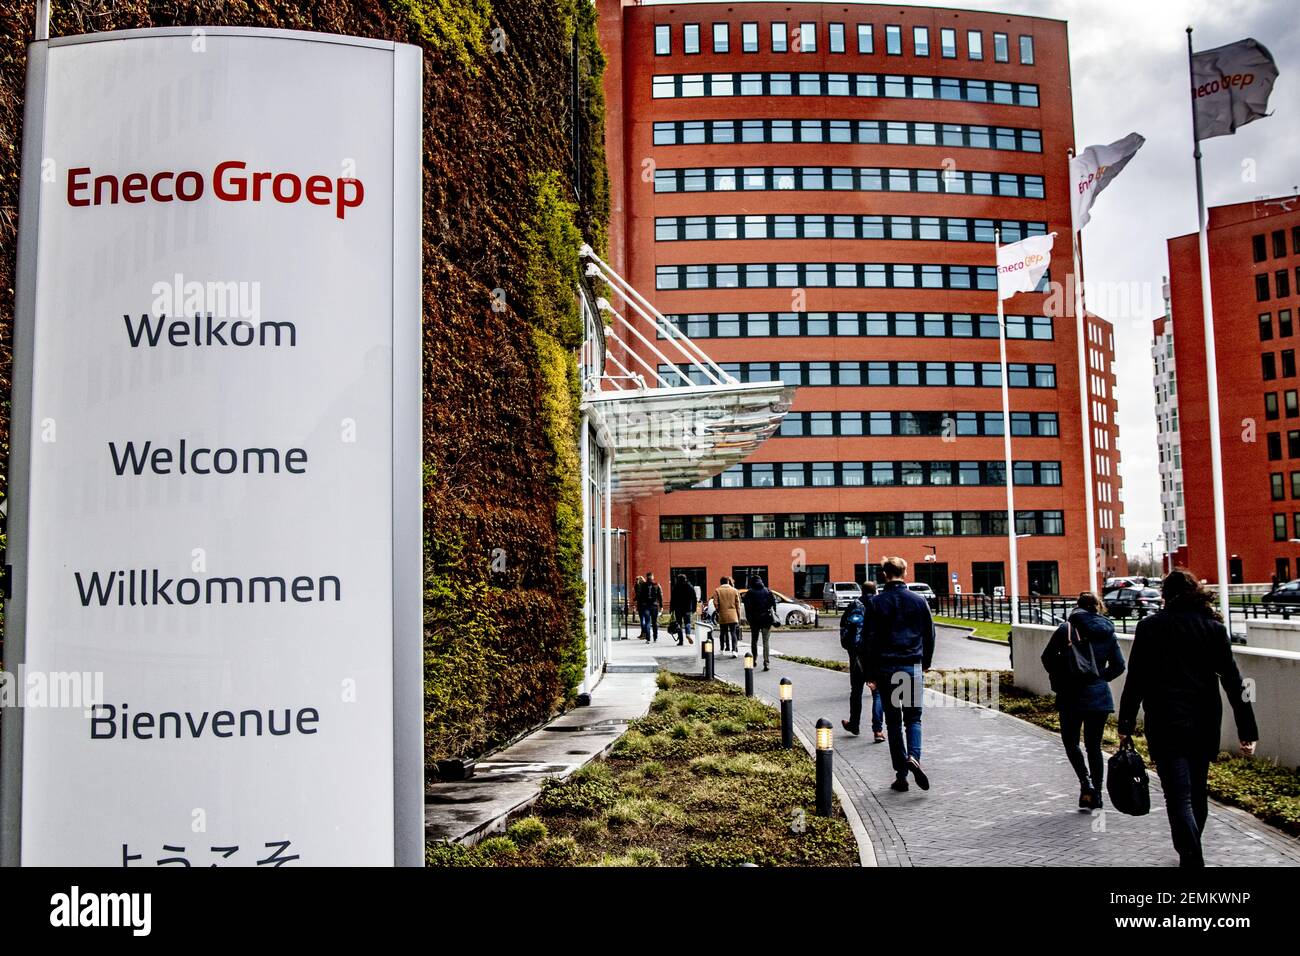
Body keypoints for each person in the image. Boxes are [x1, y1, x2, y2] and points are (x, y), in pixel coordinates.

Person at [1118, 569, 1258, 868]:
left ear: (1165, 596)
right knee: (1197, 792)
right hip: (1205, 723)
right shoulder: (1213, 629)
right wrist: (1248, 729)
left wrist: (1125, 723)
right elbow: (1235, 682)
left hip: (1165, 722)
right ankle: (1190, 852)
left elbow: (1137, 680)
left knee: (1177, 796)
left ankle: (1191, 856)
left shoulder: (1150, 627)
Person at [1040, 592, 1125, 810]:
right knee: (1094, 746)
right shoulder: (1108, 631)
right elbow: (1119, 666)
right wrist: (1098, 678)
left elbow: (1047, 658)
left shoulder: (1066, 630)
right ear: (1098, 606)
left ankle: (1085, 783)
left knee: (1071, 742)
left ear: (1077, 607)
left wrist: (1063, 675)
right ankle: (1096, 792)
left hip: (1071, 696)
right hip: (1099, 696)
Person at [864, 557, 935, 792]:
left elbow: (868, 641)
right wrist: (925, 663)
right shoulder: (918, 601)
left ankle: (901, 775)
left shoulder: (876, 603)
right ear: (905, 572)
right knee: (913, 719)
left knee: (893, 722)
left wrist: (870, 674)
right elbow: (929, 635)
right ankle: (914, 756)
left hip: (887, 669)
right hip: (911, 666)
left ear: (885, 574)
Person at [841, 581, 885, 742]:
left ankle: (854, 724)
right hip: (876, 655)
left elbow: (844, 627)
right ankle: (878, 730)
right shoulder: (880, 604)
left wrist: (849, 648)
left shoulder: (855, 605)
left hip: (857, 655)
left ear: (861, 590)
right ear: (876, 591)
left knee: (856, 691)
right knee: (877, 693)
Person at [741, 574, 777, 670]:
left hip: (755, 621)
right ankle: (766, 662)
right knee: (766, 641)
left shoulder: (749, 593)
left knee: (754, 641)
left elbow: (747, 609)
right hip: (766, 620)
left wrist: (749, 620)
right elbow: (773, 605)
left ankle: (754, 660)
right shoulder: (768, 591)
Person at [711, 576, 742, 657]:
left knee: (722, 632)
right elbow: (738, 605)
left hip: (722, 614)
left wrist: (718, 610)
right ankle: (734, 650)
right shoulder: (734, 591)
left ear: (720, 582)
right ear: (728, 582)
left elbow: (715, 602)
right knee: (733, 633)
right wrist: (738, 616)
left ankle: (722, 649)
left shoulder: (718, 590)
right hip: (733, 614)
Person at [669, 573, 697, 646]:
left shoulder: (676, 587)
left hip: (678, 608)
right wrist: (694, 608)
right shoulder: (690, 586)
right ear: (686, 579)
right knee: (687, 622)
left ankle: (681, 641)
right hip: (687, 608)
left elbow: (673, 599)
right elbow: (694, 598)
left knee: (679, 624)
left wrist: (671, 609)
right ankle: (688, 634)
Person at [643, 572, 663, 643]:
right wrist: (661, 606)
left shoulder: (643, 585)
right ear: (652, 577)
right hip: (654, 606)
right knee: (654, 622)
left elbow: (640, 596)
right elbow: (660, 596)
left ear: (646, 577)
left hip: (646, 606)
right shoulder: (657, 585)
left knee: (647, 622)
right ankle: (655, 638)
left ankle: (648, 639)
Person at [634, 575, 650, 641]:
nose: (636, 581)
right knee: (646, 620)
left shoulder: (639, 586)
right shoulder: (647, 586)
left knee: (642, 620)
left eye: (637, 579)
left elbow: (638, 595)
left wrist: (634, 599)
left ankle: (644, 634)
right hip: (647, 605)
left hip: (641, 605)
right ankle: (644, 633)